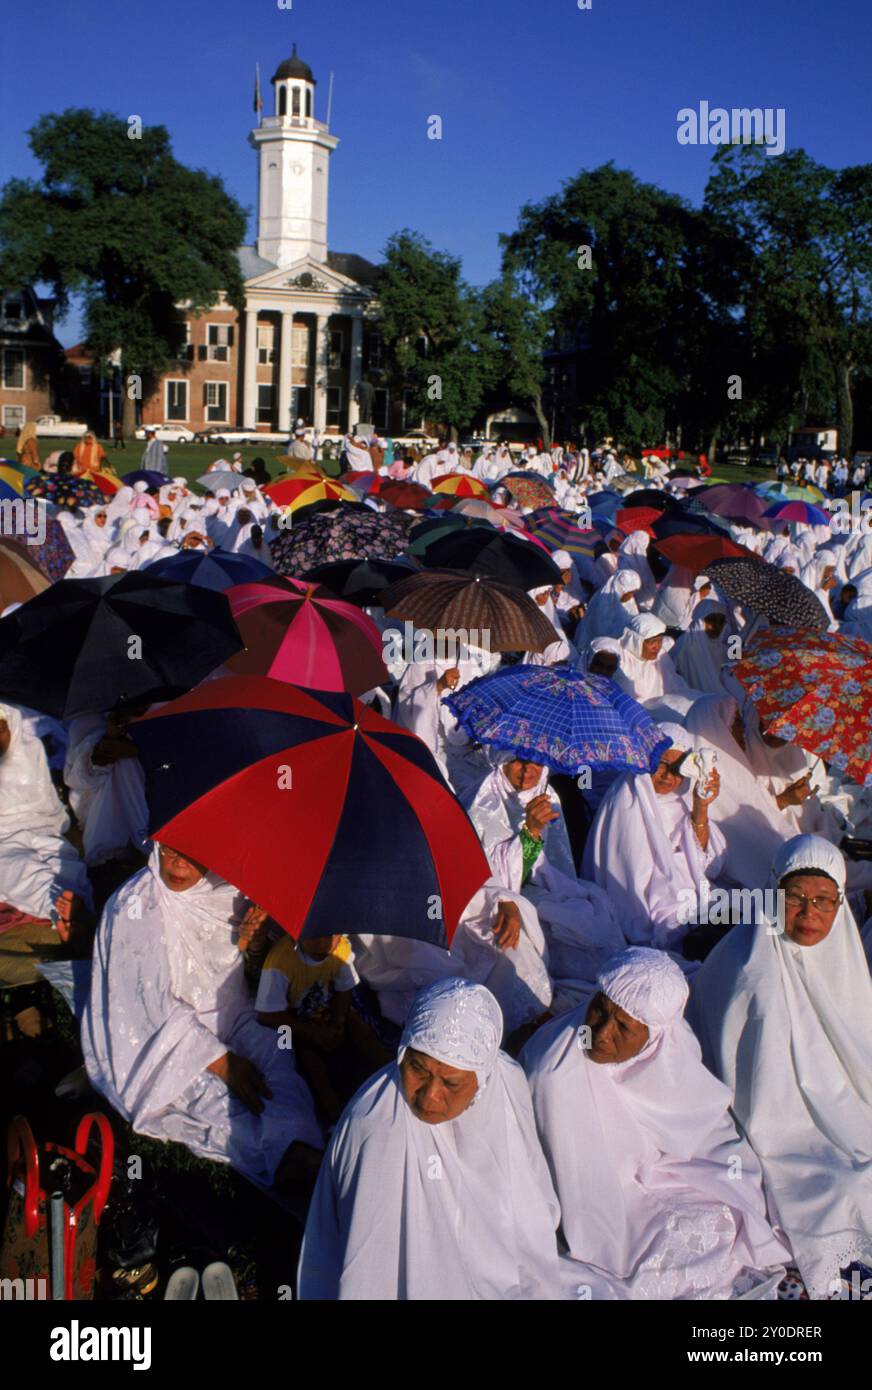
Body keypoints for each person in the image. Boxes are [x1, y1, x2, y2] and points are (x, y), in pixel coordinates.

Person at [523, 947, 788, 1299]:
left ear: (657, 1039)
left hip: (661, 1173)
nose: (601, 1034)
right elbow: (581, 1183)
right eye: (599, 1011)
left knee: (727, 1213)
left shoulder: (667, 1053)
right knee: (662, 1253)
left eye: (623, 1028)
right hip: (610, 1197)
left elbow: (704, 1131)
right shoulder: (556, 1072)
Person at [687, 836, 872, 1298]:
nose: (810, 914)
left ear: (840, 904)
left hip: (846, 1110)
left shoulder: (843, 957)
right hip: (785, 1129)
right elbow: (761, 1099)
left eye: (825, 901)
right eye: (795, 898)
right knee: (843, 1185)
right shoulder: (750, 967)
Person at [297, 977, 562, 1300]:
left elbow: (528, 1198)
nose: (430, 1096)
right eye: (418, 1069)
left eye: (451, 1084)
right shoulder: (377, 1131)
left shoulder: (505, 1080)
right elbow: (369, 1272)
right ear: (403, 1052)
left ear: (483, 1079)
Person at [82, 843, 323, 1186]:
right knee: (214, 1103)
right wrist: (224, 1063)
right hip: (164, 1040)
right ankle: (277, 1157)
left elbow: (247, 975)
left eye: (193, 853)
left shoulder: (229, 891)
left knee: (277, 1060)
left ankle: (297, 1141)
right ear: (156, 844)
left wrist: (253, 945)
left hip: (232, 1015)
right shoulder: (133, 907)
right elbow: (150, 1008)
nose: (179, 863)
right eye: (170, 850)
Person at [582, 726, 724, 951]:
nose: (669, 776)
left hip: (689, 899)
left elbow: (709, 866)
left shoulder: (682, 799)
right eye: (662, 764)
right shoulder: (627, 799)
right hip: (650, 909)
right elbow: (630, 884)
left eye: (678, 769)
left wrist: (700, 807)